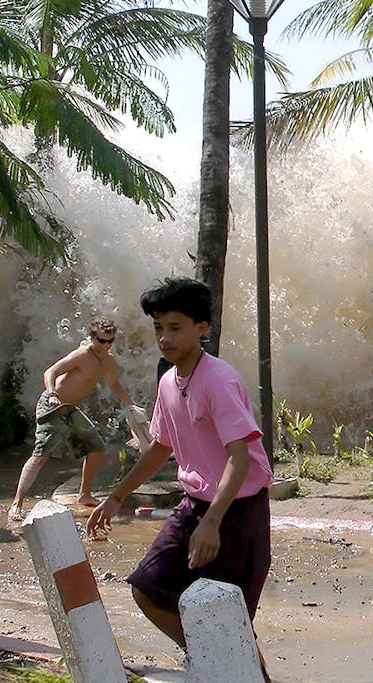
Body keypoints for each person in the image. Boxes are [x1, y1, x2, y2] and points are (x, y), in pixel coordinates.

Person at [86, 277, 273, 664]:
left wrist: (213, 522)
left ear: (202, 328)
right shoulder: (169, 380)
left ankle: (232, 664)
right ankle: (213, 659)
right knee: (148, 587)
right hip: (194, 506)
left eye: (175, 328)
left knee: (230, 621)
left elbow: (240, 458)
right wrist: (116, 496)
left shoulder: (218, 380)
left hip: (236, 513)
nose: (165, 338)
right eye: (158, 328)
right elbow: (160, 447)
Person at [9, 317, 137, 520]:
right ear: (92, 337)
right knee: (41, 455)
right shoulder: (82, 355)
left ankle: (84, 495)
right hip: (53, 406)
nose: (106, 345)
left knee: (96, 448)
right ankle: (17, 504)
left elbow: (113, 384)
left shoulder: (109, 361)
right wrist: (51, 393)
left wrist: (131, 404)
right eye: (101, 341)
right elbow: (51, 371)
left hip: (71, 410)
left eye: (110, 341)